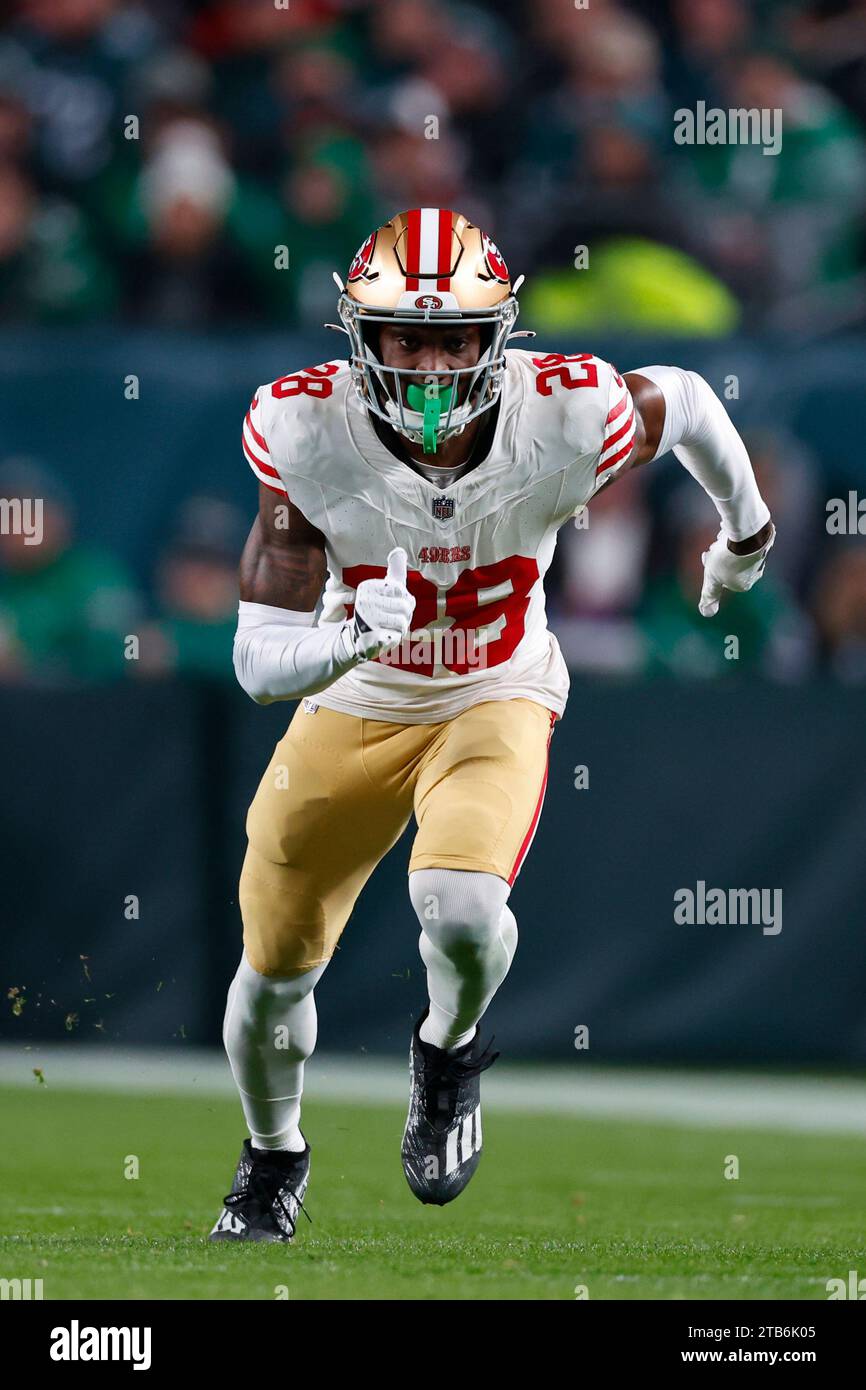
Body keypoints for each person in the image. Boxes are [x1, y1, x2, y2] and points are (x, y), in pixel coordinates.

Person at [210, 208, 775, 1242]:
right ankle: (273, 1155)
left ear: (493, 339)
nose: (428, 366)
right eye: (406, 339)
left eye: (452, 340)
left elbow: (689, 401)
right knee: (271, 971)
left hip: (492, 688)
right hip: (354, 701)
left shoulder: (562, 412)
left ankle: (447, 1049)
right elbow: (255, 664)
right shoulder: (299, 429)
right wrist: (337, 646)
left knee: (460, 905)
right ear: (361, 338)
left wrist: (746, 531)